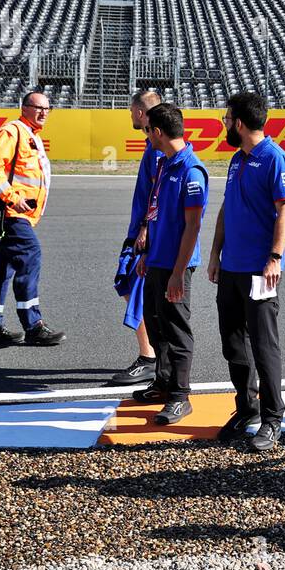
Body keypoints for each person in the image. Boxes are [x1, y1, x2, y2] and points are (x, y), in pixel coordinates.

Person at [207, 92, 285, 452]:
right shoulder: (236, 160)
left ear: (240, 123)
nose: (225, 125)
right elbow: (227, 209)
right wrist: (214, 254)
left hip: (261, 271)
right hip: (230, 269)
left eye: (227, 119)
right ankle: (247, 408)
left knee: (263, 346)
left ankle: (273, 418)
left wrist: (274, 257)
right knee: (233, 344)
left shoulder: (275, 158)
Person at [130, 103, 208, 425]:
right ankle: (162, 382)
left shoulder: (191, 170)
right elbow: (155, 211)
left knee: (177, 330)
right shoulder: (164, 165)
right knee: (156, 323)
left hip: (177, 266)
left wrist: (178, 272)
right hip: (157, 260)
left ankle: (180, 396)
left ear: (158, 132)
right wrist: (147, 253)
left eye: (148, 130)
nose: (146, 136)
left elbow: (193, 227)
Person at [0, 90, 65, 347]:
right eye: (38, 107)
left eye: (47, 109)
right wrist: (12, 198)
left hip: (21, 215)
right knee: (31, 253)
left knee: (1, 269)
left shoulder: (31, 136)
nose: (43, 113)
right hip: (11, 213)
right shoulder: (12, 131)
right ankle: (33, 325)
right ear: (24, 107)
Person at [110, 89, 164, 386]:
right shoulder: (152, 144)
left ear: (142, 114)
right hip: (142, 230)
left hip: (145, 233)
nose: (130, 116)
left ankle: (149, 357)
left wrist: (144, 228)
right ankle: (153, 354)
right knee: (130, 286)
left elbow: (157, 194)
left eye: (132, 111)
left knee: (132, 285)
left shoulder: (157, 147)